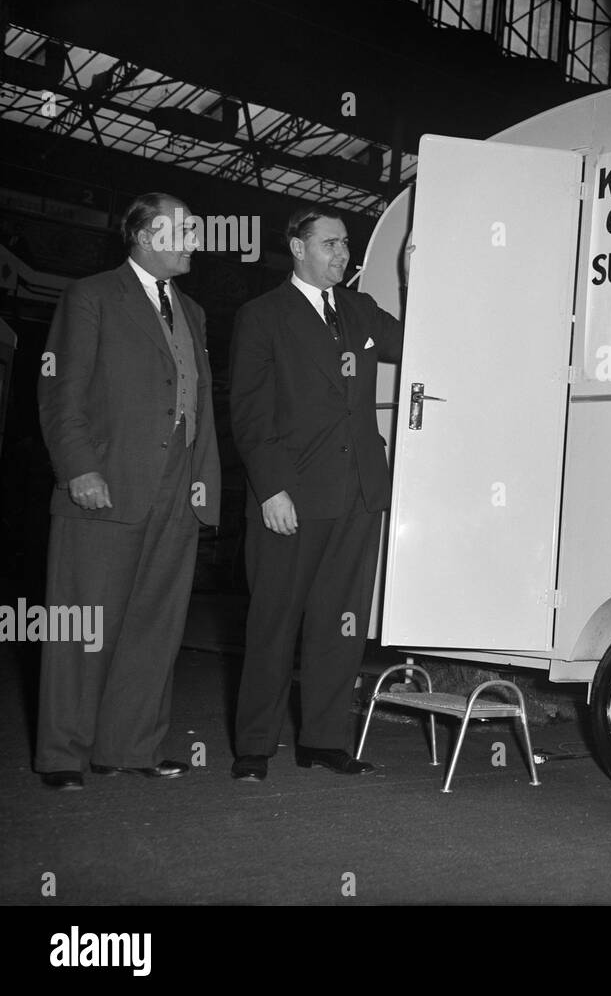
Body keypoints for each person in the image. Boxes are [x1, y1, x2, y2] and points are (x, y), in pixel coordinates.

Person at [36, 194, 221, 790]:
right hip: (107, 482)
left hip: (178, 487)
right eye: (184, 230)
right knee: (83, 623)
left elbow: (200, 407)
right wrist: (79, 470)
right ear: (144, 235)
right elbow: (62, 394)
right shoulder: (89, 296)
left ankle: (130, 747)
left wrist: (203, 484)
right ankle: (64, 755)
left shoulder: (191, 310)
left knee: (155, 624)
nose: (195, 239)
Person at [228, 208, 404, 781]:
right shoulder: (262, 316)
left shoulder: (361, 311)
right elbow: (251, 414)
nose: (343, 254)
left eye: (346, 244)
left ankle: (324, 740)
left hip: (357, 496)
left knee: (341, 622)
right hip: (293, 498)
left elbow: (420, 342)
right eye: (330, 243)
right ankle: (254, 747)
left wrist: (412, 272)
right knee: (273, 623)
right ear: (297, 247)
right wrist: (271, 489)